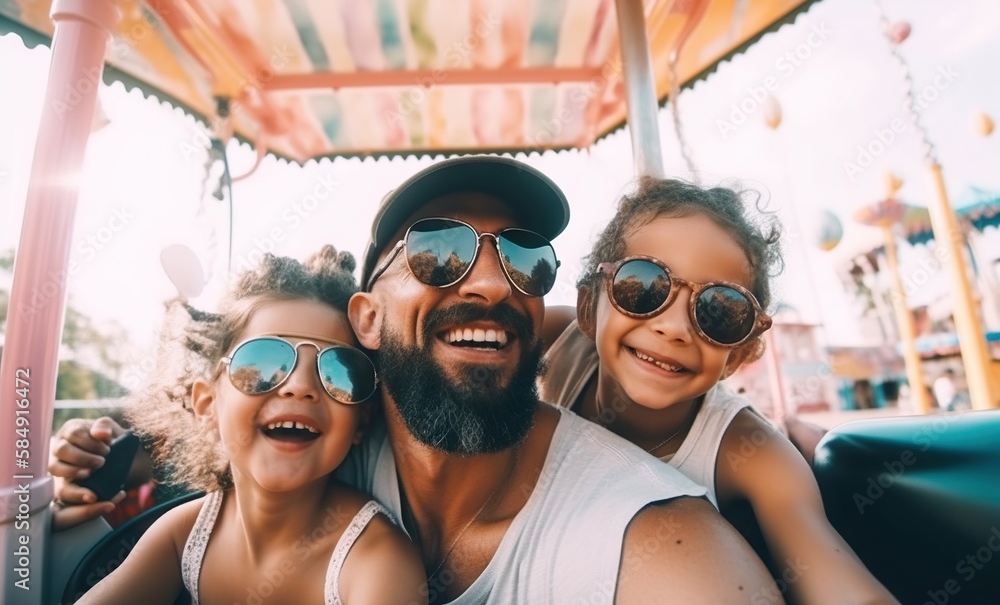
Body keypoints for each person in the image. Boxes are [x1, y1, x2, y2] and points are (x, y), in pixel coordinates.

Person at [53, 155, 779, 604]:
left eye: (526, 260)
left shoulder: (653, 538)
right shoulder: (332, 443)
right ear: (367, 319)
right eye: (439, 252)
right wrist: (110, 451)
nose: (492, 284)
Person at [539, 176, 899, 605]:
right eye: (641, 286)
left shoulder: (751, 453)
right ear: (587, 309)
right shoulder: (560, 340)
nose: (673, 328)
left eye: (719, 312)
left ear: (738, 356)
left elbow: (837, 580)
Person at [75, 246, 427, 604]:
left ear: (360, 422)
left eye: (337, 371)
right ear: (207, 404)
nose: (300, 387)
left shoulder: (377, 559)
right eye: (261, 363)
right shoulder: (185, 533)